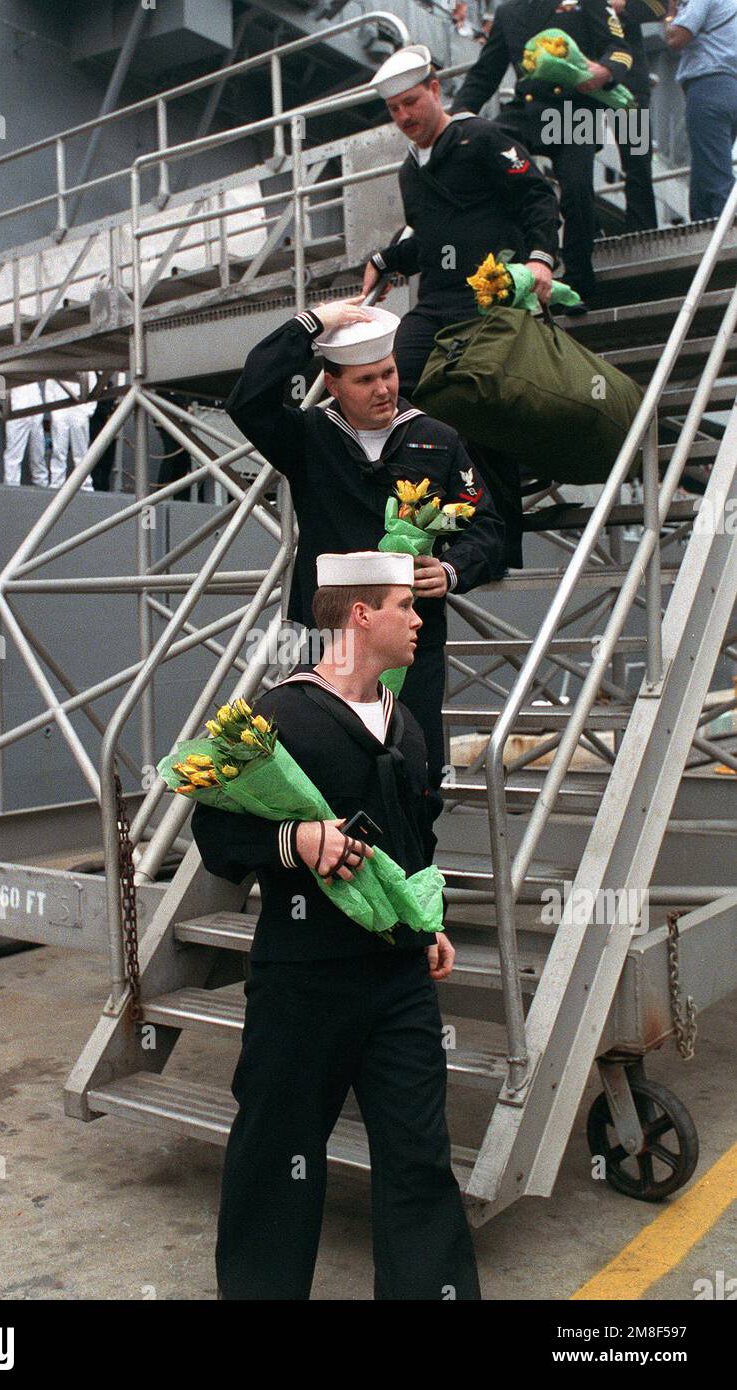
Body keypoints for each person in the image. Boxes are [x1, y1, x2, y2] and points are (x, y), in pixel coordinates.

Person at [191, 549, 481, 1301]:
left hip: (398, 983)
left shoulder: (408, 725)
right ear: (360, 614)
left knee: (418, 1158)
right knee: (277, 1155)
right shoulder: (273, 717)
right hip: (302, 982)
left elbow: (417, 840)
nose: (418, 620)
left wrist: (429, 922)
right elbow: (215, 838)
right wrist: (295, 843)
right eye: (402, 605)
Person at [224, 298, 506, 823]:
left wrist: (451, 570)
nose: (384, 389)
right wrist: (312, 324)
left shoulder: (438, 441)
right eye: (365, 380)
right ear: (332, 385)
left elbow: (487, 528)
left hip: (409, 639)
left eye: (389, 373)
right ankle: (335, 877)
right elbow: (249, 398)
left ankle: (414, 884)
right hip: (326, 637)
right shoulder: (307, 437)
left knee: (414, 769)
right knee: (321, 756)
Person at [362, 43, 561, 395]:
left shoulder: (482, 137)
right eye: (394, 109)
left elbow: (537, 197)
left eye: (411, 102)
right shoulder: (410, 171)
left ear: (435, 90)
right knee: (396, 386)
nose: (404, 116)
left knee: (480, 393)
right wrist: (384, 260)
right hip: (436, 301)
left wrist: (541, 259)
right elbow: (429, 242)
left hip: (490, 293)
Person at [449, 2, 636, 306]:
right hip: (529, 109)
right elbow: (485, 74)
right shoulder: (509, 13)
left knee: (576, 192)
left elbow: (619, 49)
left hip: (574, 110)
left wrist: (604, 71)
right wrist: (457, 117)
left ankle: (578, 280)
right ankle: (514, 266)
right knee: (490, 155)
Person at [664, 0, 737, 220]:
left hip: (708, 85)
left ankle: (726, 230)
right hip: (730, 86)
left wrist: (671, 13)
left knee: (715, 174)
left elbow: (676, 37)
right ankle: (701, 224)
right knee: (707, 164)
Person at [611, 0, 661, 231]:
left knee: (637, 162)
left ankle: (642, 230)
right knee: (576, 166)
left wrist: (624, 5)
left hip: (628, 85)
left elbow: (659, 6)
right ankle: (588, 229)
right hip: (582, 85)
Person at [44, 375, 97, 490]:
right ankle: (56, 482)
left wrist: (88, 410)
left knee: (81, 450)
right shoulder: (56, 363)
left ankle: (85, 483)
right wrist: (54, 410)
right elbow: (50, 384)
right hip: (60, 408)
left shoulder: (87, 363)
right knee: (58, 449)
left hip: (80, 409)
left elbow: (93, 386)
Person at [2, 381, 47, 487]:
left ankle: (42, 486)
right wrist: (10, 408)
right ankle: (11, 488)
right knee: (13, 455)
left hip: (35, 409)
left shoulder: (30, 365)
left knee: (38, 453)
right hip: (17, 412)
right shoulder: (2, 367)